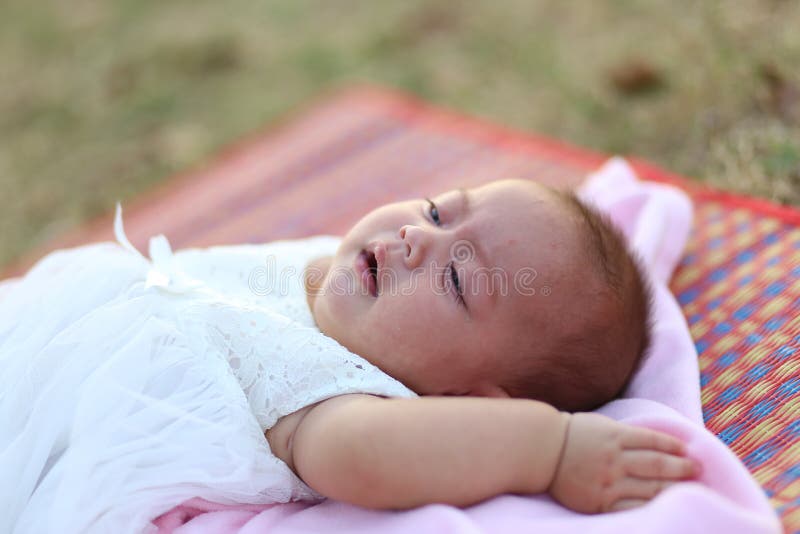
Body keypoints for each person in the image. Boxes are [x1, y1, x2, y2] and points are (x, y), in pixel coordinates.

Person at [0, 178, 696, 533]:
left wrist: (552, 449)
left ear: (466, 404)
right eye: (436, 211)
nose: (413, 239)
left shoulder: (337, 392)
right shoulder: (338, 277)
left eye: (456, 278)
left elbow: (366, 455)